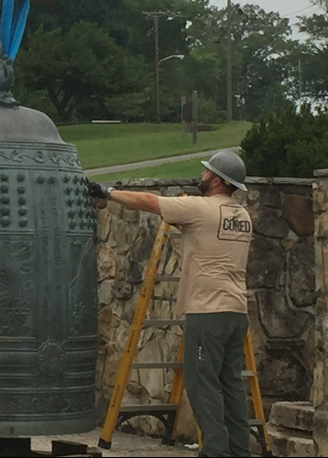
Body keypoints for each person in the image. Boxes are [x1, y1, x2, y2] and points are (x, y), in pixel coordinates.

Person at [88, 149, 253, 458]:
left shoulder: (201, 209)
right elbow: (203, 234)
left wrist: (109, 193)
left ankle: (215, 451)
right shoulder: (241, 216)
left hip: (207, 312)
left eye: (206, 172)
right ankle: (240, 451)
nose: (201, 176)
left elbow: (151, 203)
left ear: (217, 179)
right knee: (231, 384)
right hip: (236, 312)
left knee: (202, 383)